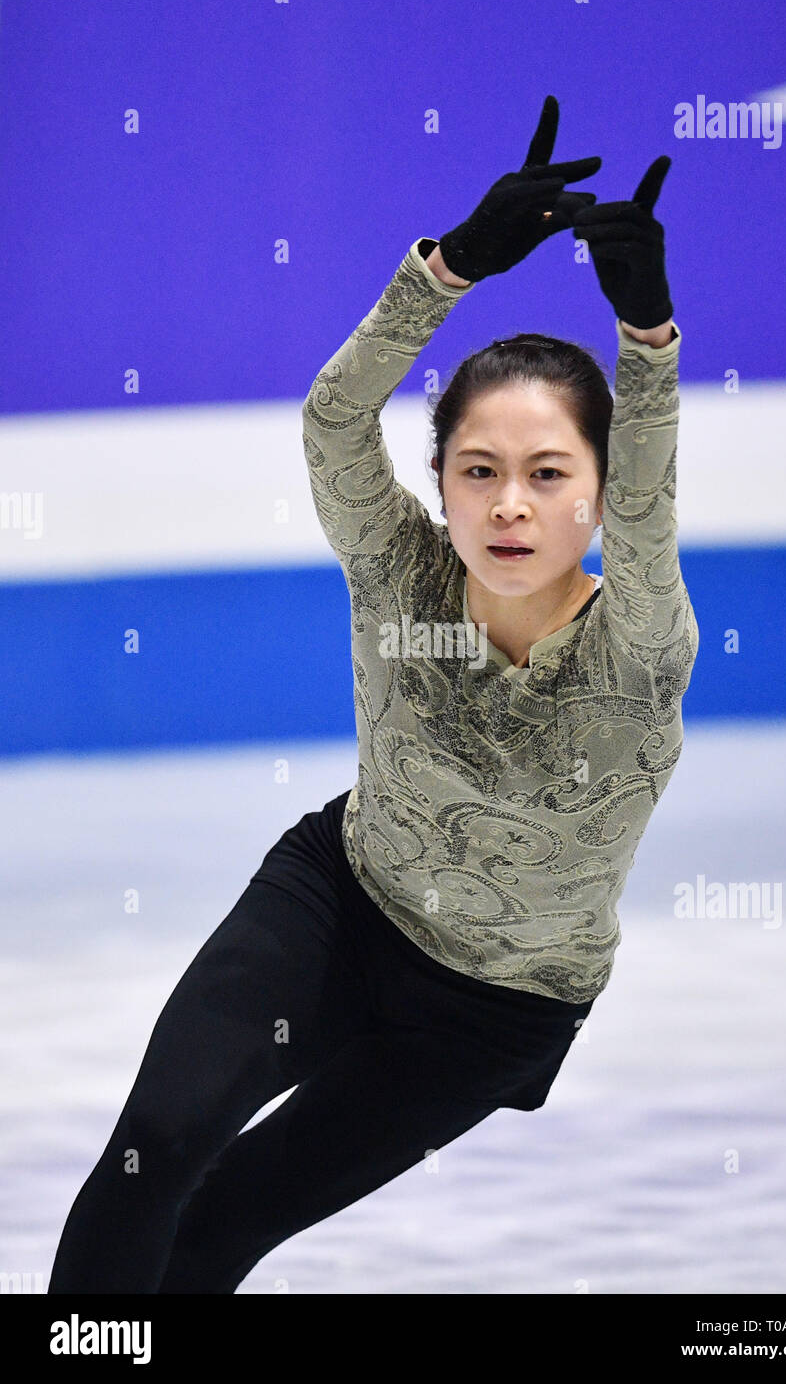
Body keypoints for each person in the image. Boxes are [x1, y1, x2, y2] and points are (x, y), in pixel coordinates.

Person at [47, 95, 698, 1294]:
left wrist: (645, 338)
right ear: (440, 484)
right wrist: (445, 268)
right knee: (153, 1155)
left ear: (597, 498)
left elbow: (655, 514)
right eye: (478, 470)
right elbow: (333, 421)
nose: (508, 503)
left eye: (546, 474)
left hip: (492, 1011)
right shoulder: (397, 563)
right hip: (339, 906)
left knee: (220, 1227)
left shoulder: (640, 642)